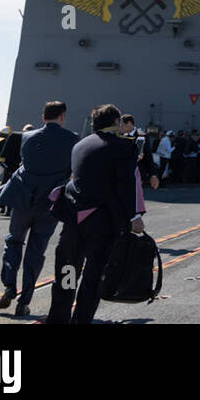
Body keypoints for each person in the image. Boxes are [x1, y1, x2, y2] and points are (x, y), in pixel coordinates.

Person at [47, 104, 146, 325]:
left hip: (74, 217)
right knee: (93, 276)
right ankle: (80, 321)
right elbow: (125, 184)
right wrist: (134, 216)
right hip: (102, 222)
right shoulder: (124, 146)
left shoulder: (80, 144)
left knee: (68, 271)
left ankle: (58, 319)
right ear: (116, 122)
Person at [0, 100, 78, 316]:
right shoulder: (72, 139)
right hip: (50, 204)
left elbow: (20, 163)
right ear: (63, 116)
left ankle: (9, 286)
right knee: (36, 251)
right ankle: (24, 301)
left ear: (43, 117)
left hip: (23, 200)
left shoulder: (26, 137)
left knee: (13, 241)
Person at [120, 115, 160, 190]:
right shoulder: (122, 136)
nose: (120, 127)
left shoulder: (142, 136)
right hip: (124, 175)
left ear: (129, 123)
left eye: (122, 125)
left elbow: (148, 156)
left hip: (138, 174)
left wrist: (152, 174)